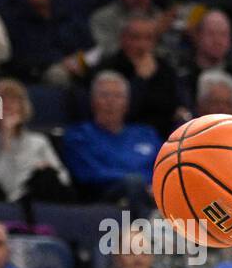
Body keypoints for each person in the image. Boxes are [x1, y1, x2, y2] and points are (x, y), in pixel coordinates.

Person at [60, 70, 161, 214]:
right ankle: (152, 229)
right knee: (133, 183)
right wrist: (144, 185)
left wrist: (155, 187)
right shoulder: (79, 136)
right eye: (104, 95)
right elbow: (89, 174)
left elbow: (163, 167)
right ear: (93, 102)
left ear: (127, 103)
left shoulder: (146, 133)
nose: (111, 102)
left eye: (118, 96)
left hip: (154, 192)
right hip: (104, 196)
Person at [0, 77, 72, 204]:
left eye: (14, 100)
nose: (8, 106)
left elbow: (64, 179)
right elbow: (0, 186)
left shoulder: (39, 142)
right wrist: (6, 140)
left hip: (39, 199)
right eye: (1, 101)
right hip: (4, 204)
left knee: (47, 176)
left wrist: (44, 169)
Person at [1, 0, 93, 84]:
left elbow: (93, 51)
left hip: (79, 73)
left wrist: (78, 62)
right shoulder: (11, 20)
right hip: (36, 78)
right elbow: (17, 58)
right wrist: (60, 62)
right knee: (57, 75)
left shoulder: (70, 17)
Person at [93, 13, 184, 140]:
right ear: (123, 39)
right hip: (119, 138)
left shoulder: (164, 68)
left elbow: (177, 104)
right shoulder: (108, 68)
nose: (142, 45)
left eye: (148, 38)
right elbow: (120, 113)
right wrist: (140, 80)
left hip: (163, 138)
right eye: (136, 38)